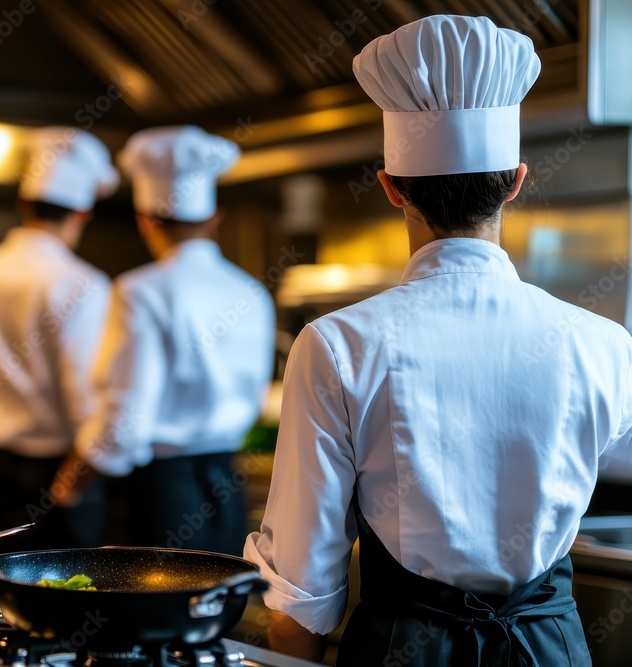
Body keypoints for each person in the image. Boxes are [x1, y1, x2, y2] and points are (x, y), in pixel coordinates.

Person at [244, 16, 632, 666]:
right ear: (517, 180)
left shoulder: (336, 345)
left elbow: (302, 591)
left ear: (391, 187)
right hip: (549, 651)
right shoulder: (603, 343)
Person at [63, 125, 276, 556]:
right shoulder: (252, 291)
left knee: (159, 597)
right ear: (214, 219)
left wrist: (73, 479)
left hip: (164, 494)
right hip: (228, 488)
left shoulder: (139, 290)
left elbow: (127, 416)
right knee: (221, 594)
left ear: (145, 220)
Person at [0, 127, 118, 549]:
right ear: (83, 213)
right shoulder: (84, 285)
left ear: (23, 203)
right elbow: (87, 397)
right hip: (64, 476)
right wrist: (75, 482)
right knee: (70, 588)